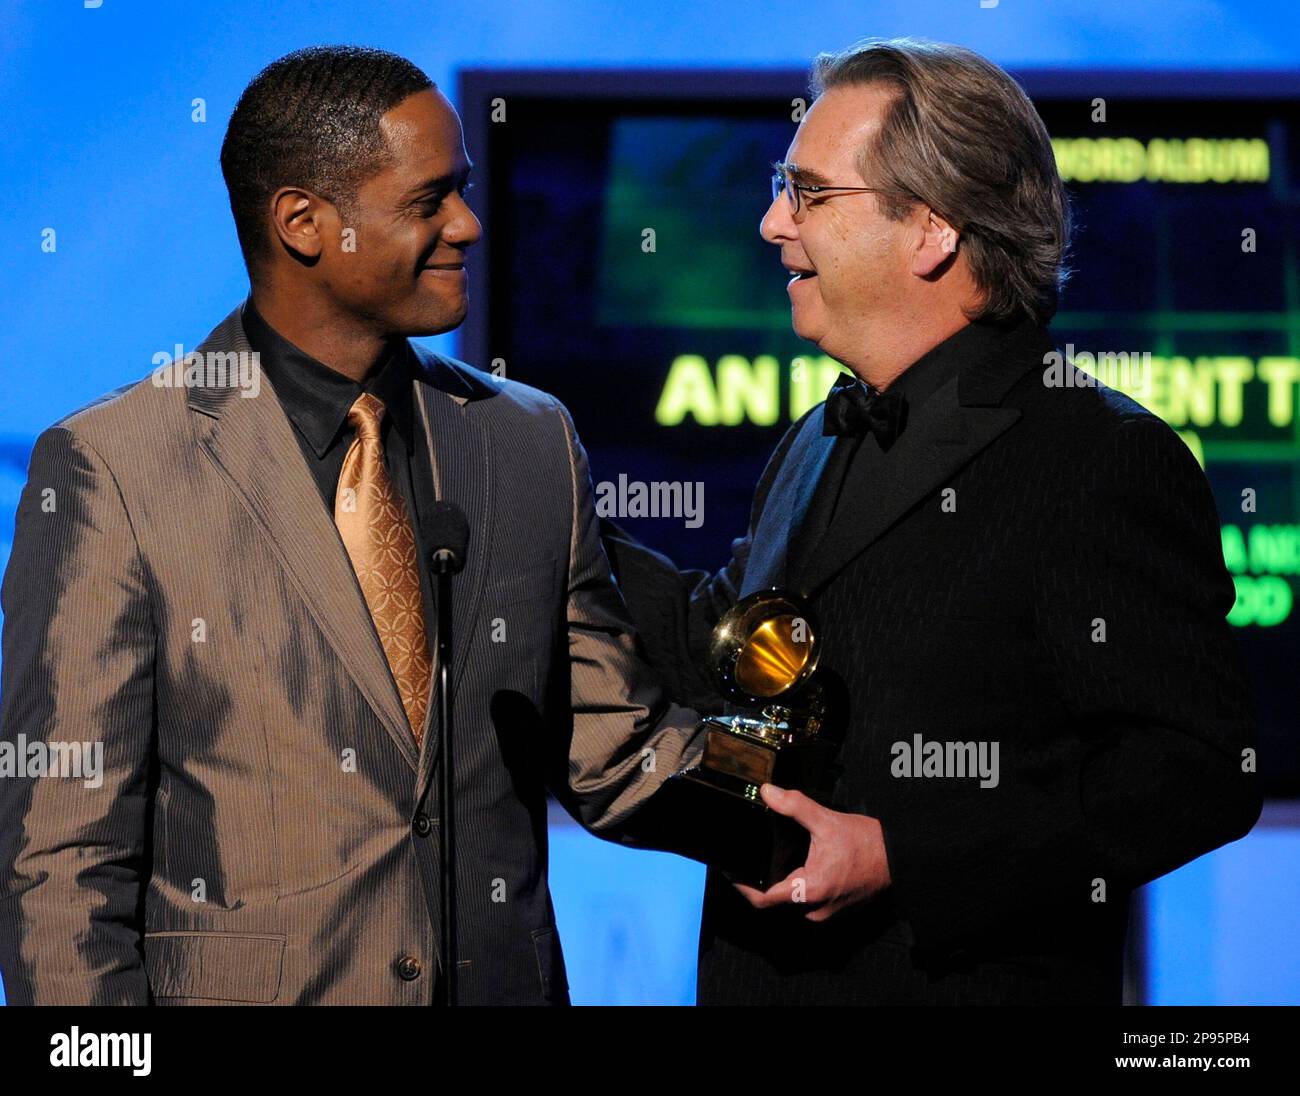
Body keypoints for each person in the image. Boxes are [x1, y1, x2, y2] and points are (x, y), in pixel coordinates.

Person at [0, 45, 702, 1006]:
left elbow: (612, 746)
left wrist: (828, 822)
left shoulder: (528, 441)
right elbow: (61, 863)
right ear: (303, 224)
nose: (469, 223)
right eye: (429, 201)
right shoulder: (114, 467)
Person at [603, 37, 1262, 1005]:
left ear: (932, 231)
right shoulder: (813, 438)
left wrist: (902, 852)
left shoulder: (1097, 454)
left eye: (809, 193)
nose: (770, 221)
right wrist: (544, 507)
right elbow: (727, 639)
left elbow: (1197, 770)